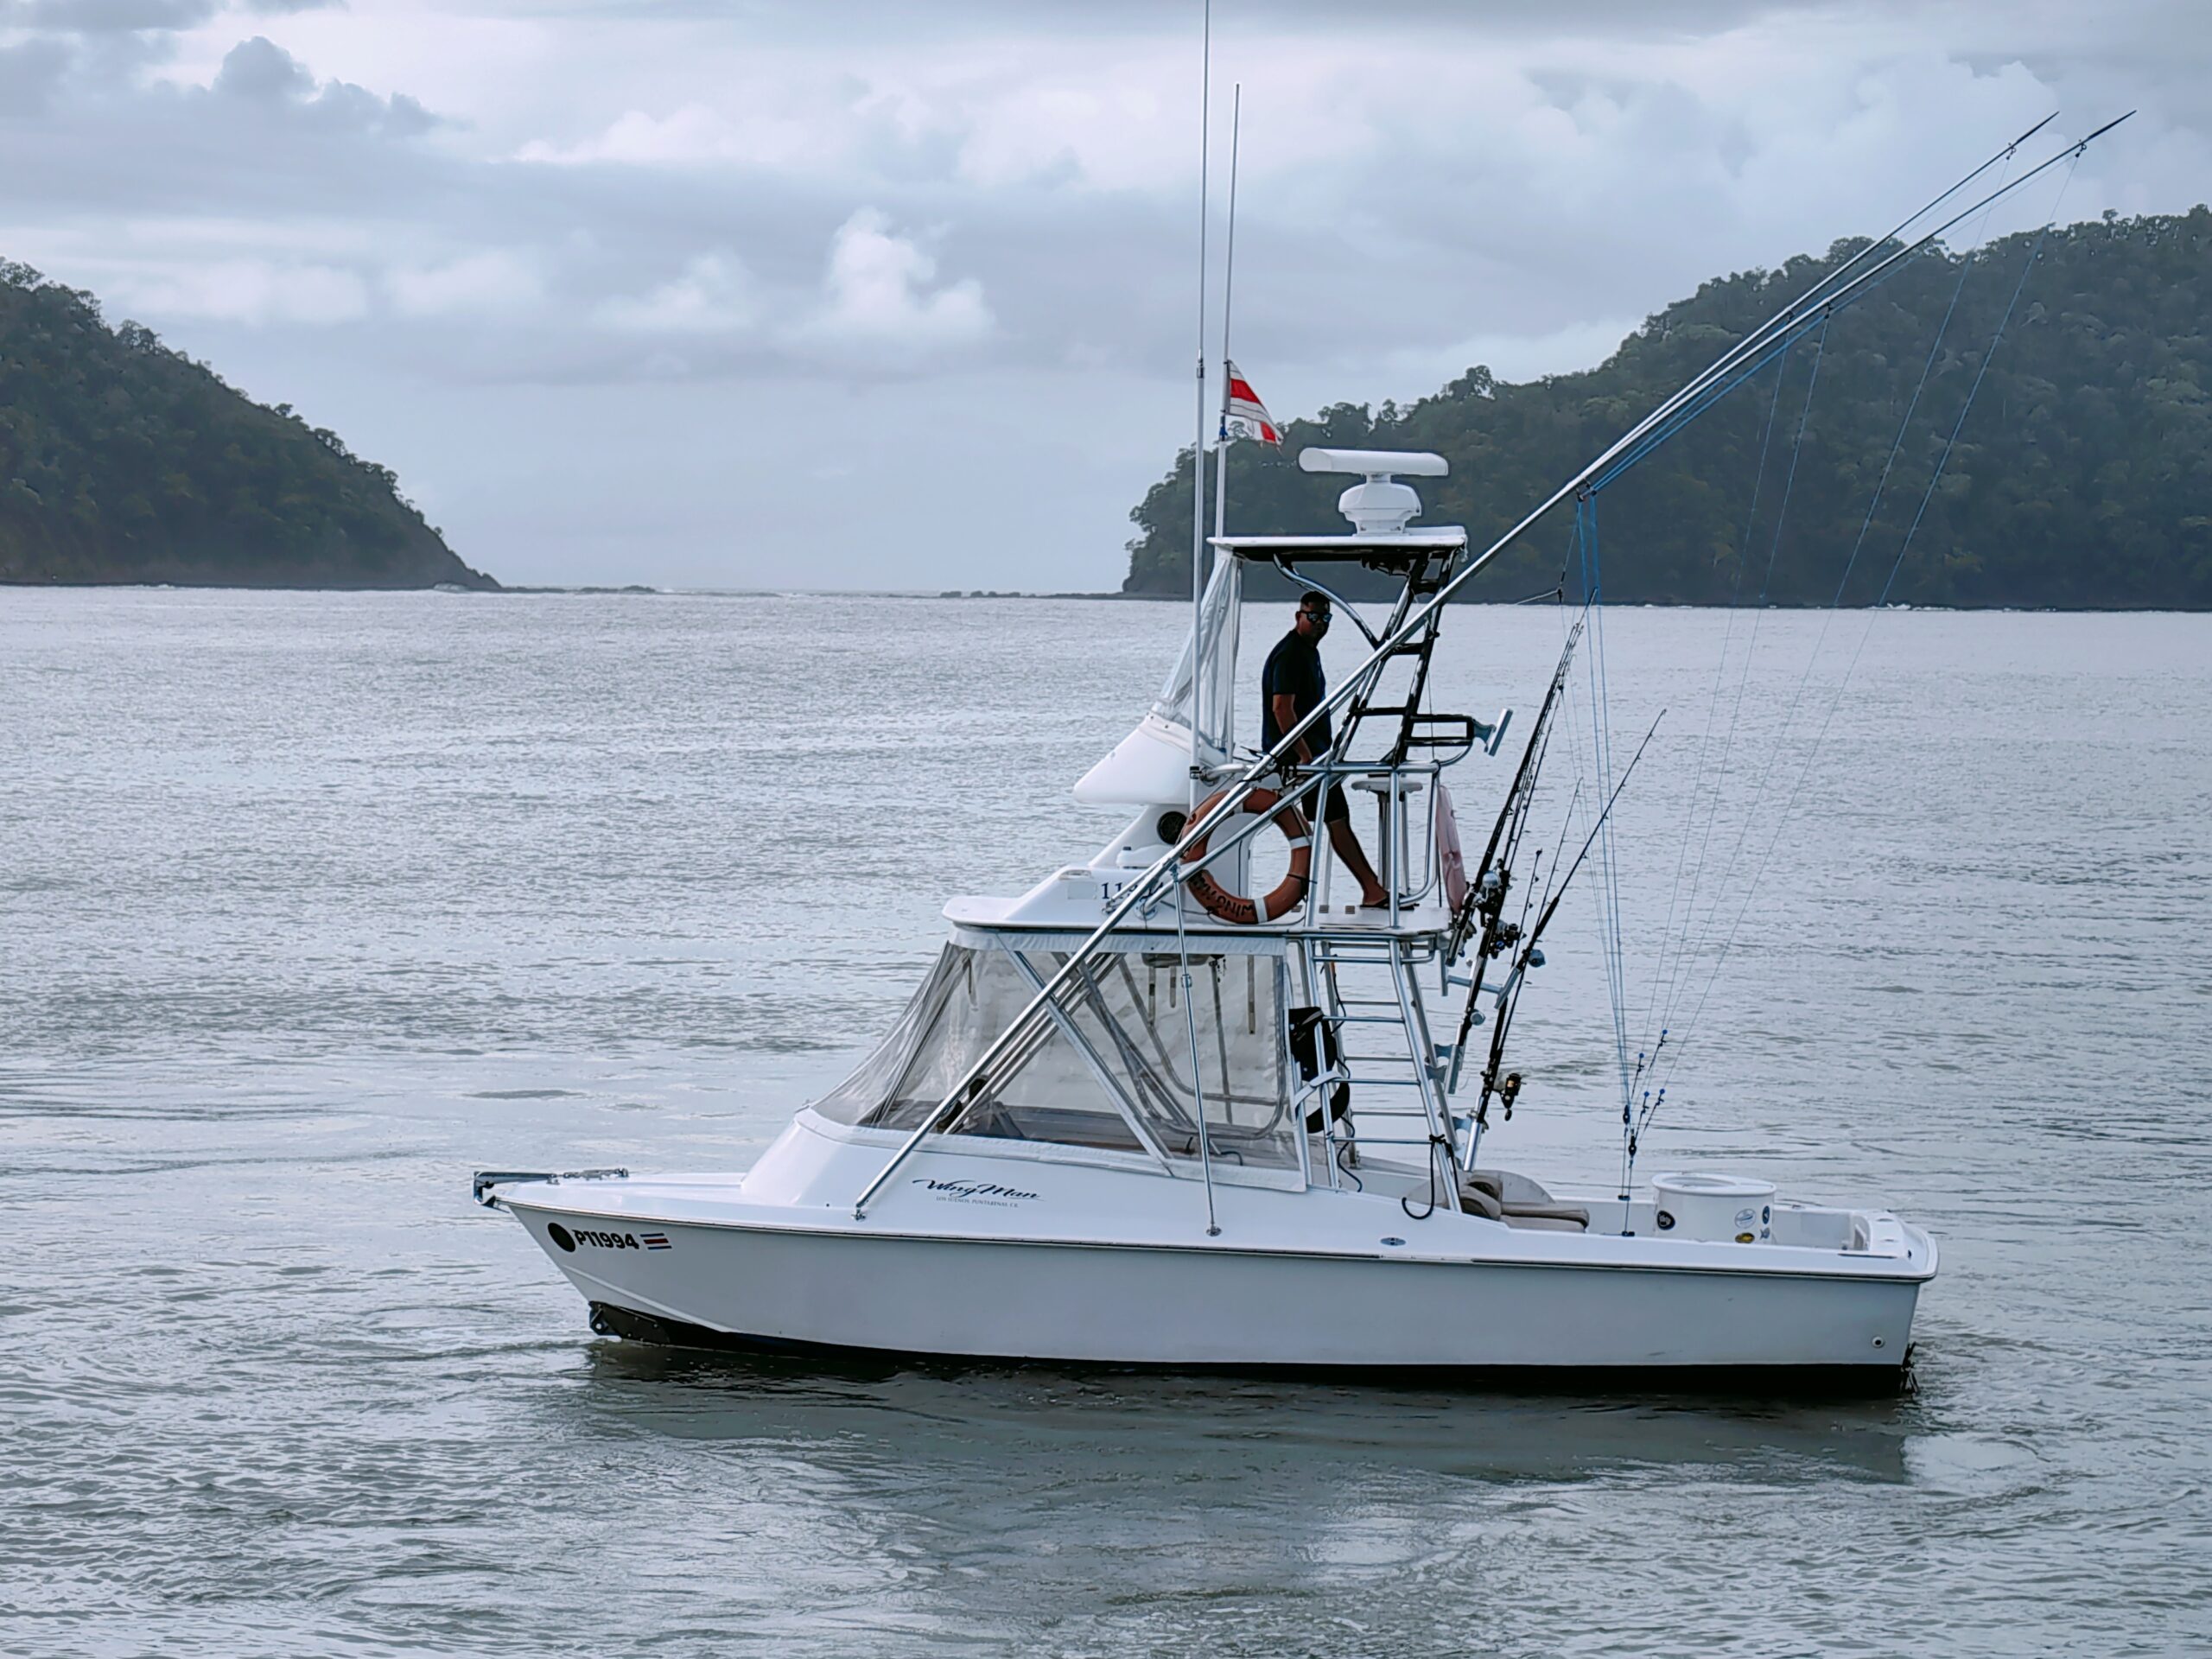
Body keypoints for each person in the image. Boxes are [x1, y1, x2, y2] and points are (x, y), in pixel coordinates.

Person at [1260, 591, 1389, 908]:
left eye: (1325, 618)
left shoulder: (1308, 652)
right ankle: (1372, 890)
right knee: (1337, 820)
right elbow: (1281, 709)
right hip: (1299, 759)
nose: (1320, 624)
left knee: (1336, 820)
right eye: (1313, 617)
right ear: (1298, 616)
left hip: (1315, 755)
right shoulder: (1290, 654)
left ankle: (1372, 889)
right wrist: (1304, 755)